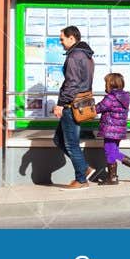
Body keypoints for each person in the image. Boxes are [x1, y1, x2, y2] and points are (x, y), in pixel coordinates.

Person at [52, 25, 94, 189]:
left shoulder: (74, 57)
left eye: (62, 39)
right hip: (80, 103)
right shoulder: (86, 55)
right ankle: (84, 168)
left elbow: (72, 84)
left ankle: (81, 179)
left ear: (72, 38)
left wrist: (61, 104)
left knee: (71, 144)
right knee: (58, 139)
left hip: (71, 105)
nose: (61, 42)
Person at [92, 72, 130, 184]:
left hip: (110, 129)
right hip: (119, 130)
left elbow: (99, 108)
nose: (105, 86)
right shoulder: (124, 96)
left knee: (110, 152)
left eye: (106, 83)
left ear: (110, 84)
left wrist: (89, 108)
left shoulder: (111, 97)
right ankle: (112, 178)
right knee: (112, 151)